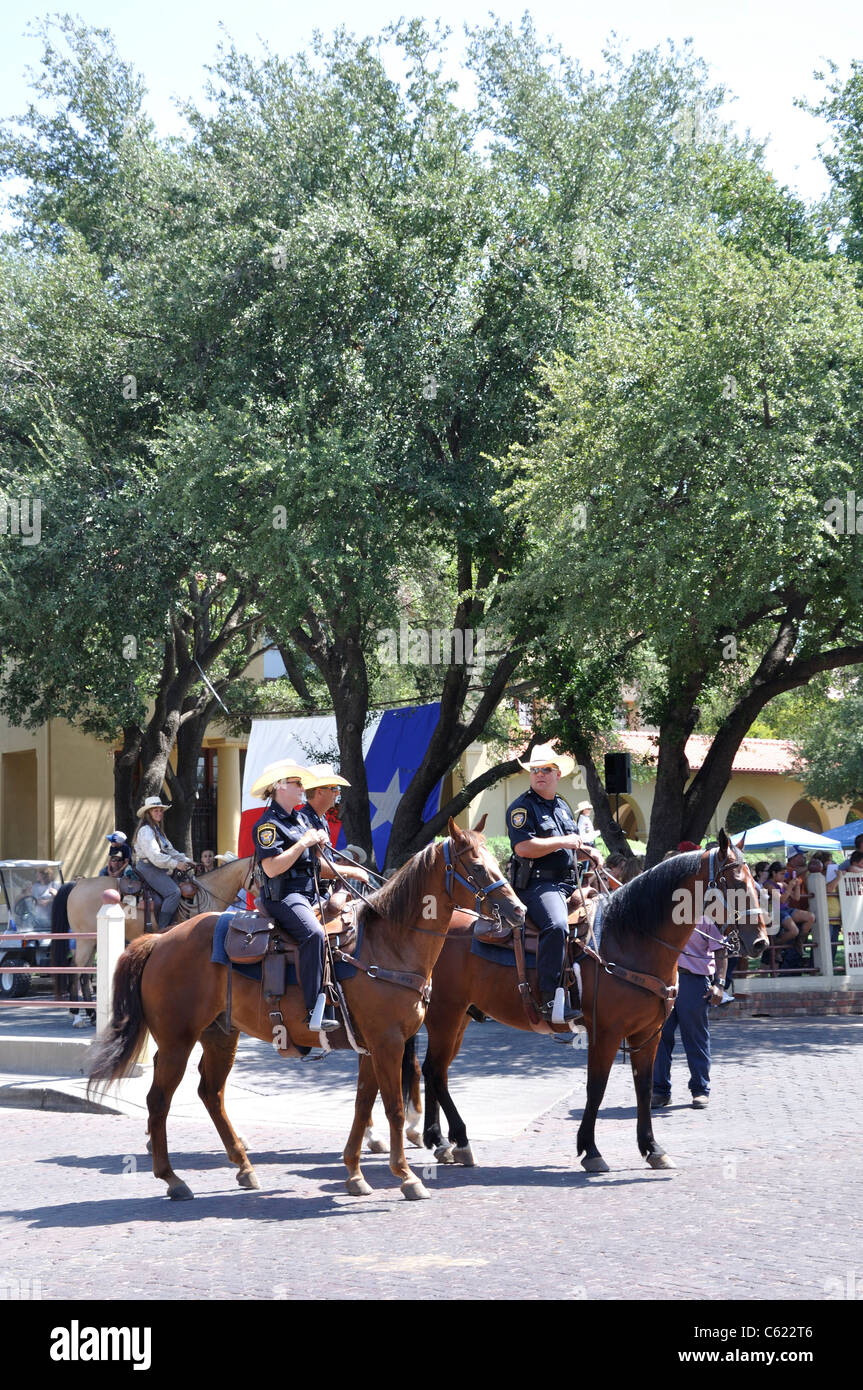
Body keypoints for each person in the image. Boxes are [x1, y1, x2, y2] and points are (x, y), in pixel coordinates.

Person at [506, 742, 601, 1022]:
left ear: (558, 774)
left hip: (569, 883)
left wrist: (590, 853)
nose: (539, 775)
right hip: (538, 886)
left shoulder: (561, 806)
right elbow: (523, 848)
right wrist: (564, 841)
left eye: (546, 770)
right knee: (557, 925)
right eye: (535, 770)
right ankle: (548, 999)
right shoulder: (521, 808)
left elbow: (571, 847)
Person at [250, 760, 341, 1032]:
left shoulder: (301, 819)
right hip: (286, 896)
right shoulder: (267, 825)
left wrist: (319, 845)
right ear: (280, 786)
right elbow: (271, 867)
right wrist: (304, 842)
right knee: (313, 934)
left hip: (311, 893)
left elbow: (312, 858)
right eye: (297, 783)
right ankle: (314, 1009)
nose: (303, 788)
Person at [651, 912, 728, 1109]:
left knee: (695, 1038)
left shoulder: (705, 917)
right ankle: (660, 1091)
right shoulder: (660, 913)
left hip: (693, 981)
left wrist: (719, 984)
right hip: (663, 983)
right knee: (659, 1037)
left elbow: (720, 950)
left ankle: (701, 1090)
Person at [132, 797, 195, 931]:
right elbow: (155, 856)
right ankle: (162, 929)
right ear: (148, 813)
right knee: (174, 892)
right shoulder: (146, 831)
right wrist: (176, 864)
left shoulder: (157, 831)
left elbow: (170, 850)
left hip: (156, 866)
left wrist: (188, 861)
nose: (159, 813)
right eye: (156, 810)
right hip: (148, 867)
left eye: (161, 811)